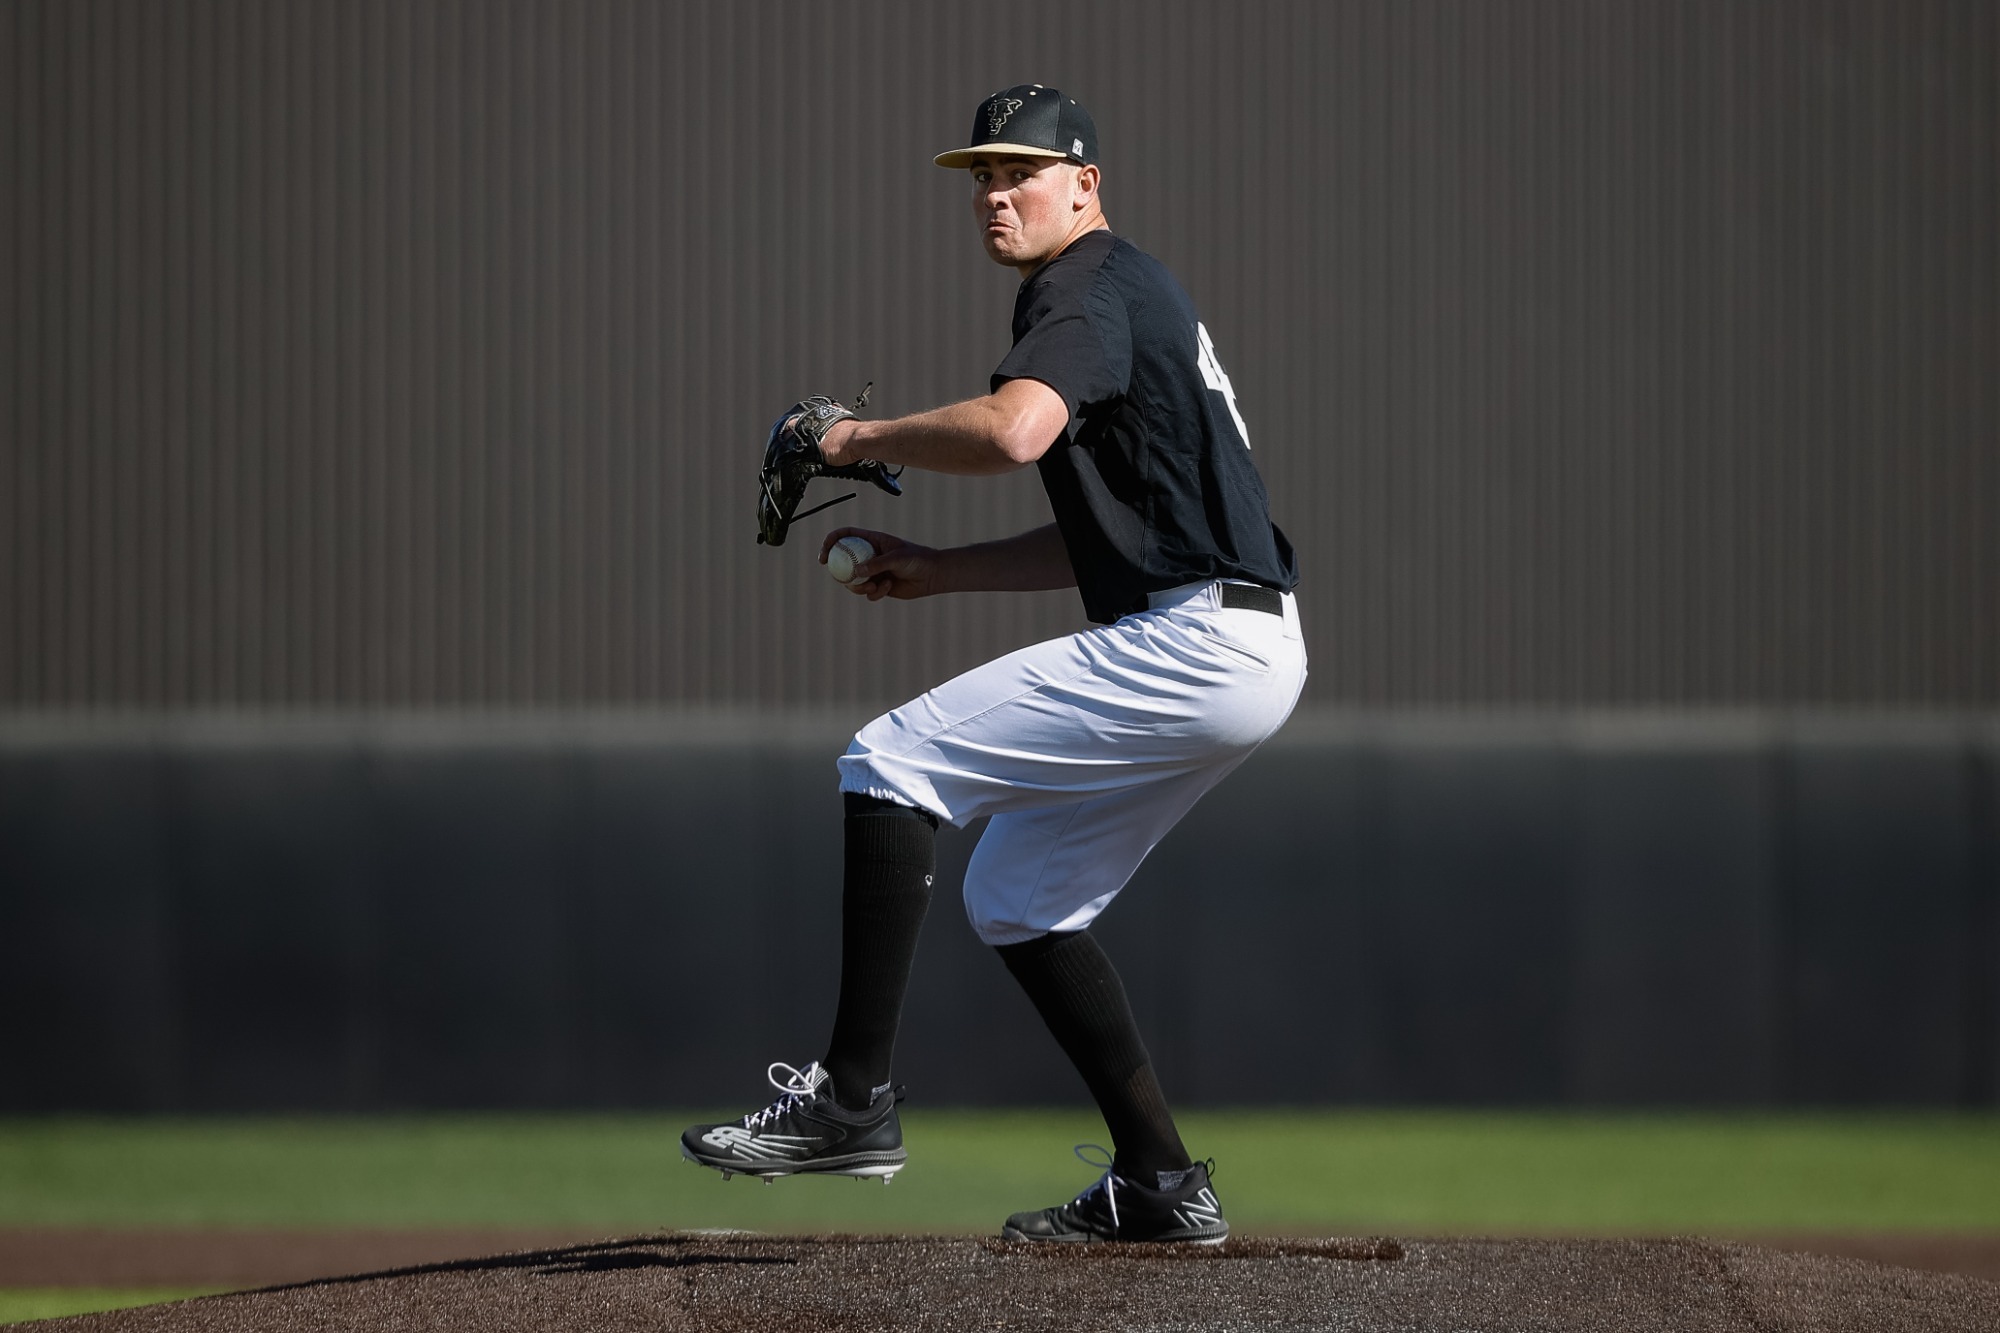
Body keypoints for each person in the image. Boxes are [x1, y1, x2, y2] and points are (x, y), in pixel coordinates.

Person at [682, 84, 1305, 1245]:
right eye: (981, 175)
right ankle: (1160, 1182)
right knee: (1017, 898)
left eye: (1022, 171)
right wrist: (943, 569)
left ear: (1085, 183)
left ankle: (851, 1102)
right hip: (1234, 638)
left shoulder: (1081, 283)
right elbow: (1116, 538)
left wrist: (851, 437)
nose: (995, 194)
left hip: (1197, 641)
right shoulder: (1123, 291)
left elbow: (1016, 429)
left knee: (888, 761)